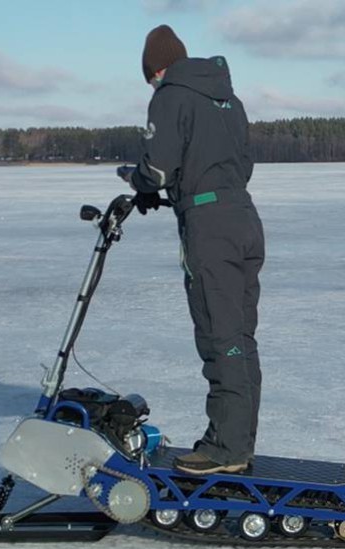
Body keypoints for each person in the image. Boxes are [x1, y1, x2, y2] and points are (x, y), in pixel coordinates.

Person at [120, 25, 265, 476]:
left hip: (209, 228)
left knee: (221, 337)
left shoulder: (171, 96)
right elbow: (242, 164)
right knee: (241, 338)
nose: (151, 86)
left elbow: (158, 168)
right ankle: (238, 441)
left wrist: (138, 180)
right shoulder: (228, 98)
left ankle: (226, 449)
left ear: (156, 70)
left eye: (150, 79)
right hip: (243, 218)